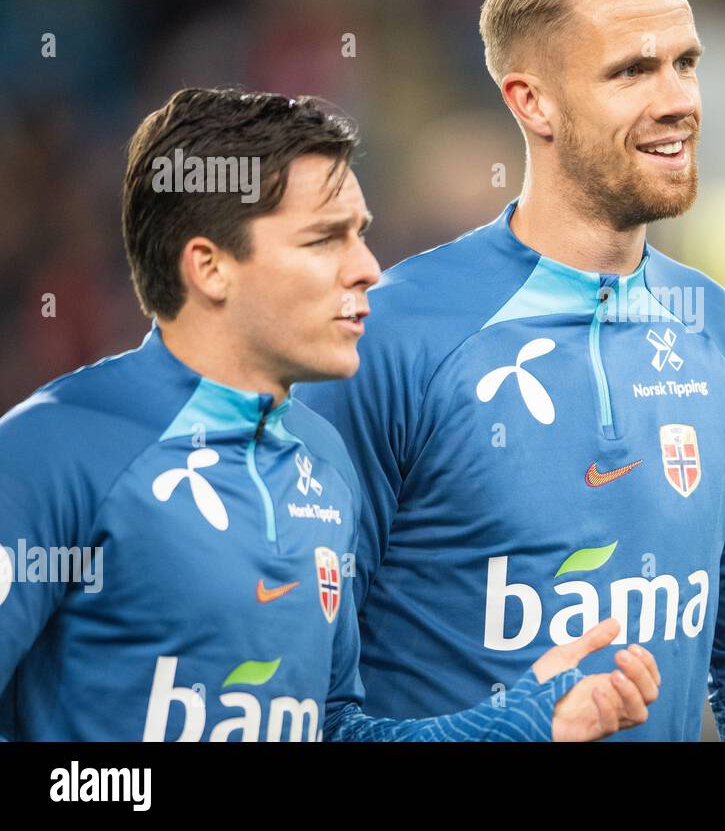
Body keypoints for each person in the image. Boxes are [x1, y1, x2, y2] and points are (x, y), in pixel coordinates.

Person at [298, 0, 725, 741]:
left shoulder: (714, 324)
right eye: (632, 72)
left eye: (685, 63)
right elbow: (307, 716)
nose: (677, 100)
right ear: (531, 101)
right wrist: (522, 728)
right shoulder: (387, 338)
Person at [0, 87, 658, 741]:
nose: (368, 268)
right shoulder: (52, 452)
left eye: (361, 235)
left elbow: (335, 730)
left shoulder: (324, 460)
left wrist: (520, 724)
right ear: (210, 267)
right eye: (324, 240)